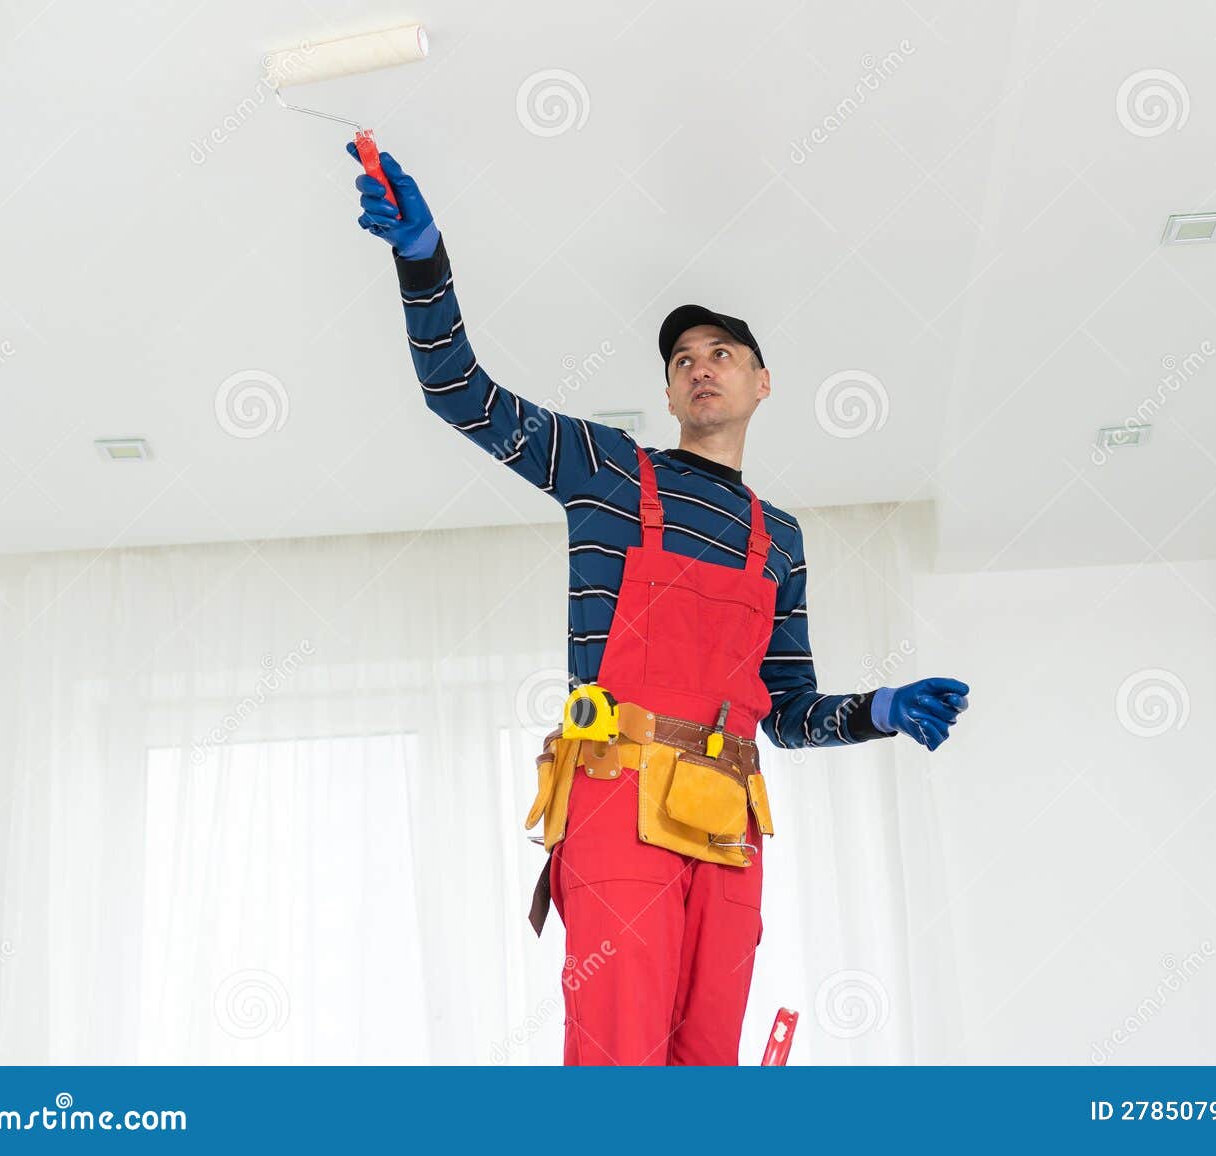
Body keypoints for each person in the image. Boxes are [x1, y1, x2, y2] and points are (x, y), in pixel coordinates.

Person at [349, 143, 969, 1065]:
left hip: (728, 820)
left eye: (724, 353)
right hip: (618, 792)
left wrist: (877, 709)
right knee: (619, 1054)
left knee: (707, 1064)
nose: (701, 367)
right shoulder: (607, 473)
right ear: (670, 387)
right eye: (683, 358)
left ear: (763, 383)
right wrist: (422, 259)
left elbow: (789, 713)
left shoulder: (779, 539)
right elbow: (459, 395)